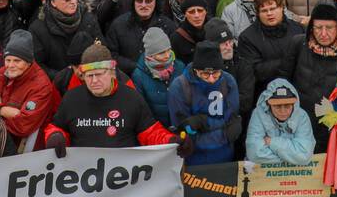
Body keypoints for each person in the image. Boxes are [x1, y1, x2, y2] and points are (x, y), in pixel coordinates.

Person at [42, 43, 191, 153]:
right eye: (89, 76)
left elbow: (149, 132)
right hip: (83, 176)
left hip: (121, 178)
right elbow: (56, 126)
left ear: (112, 73)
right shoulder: (72, 98)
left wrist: (172, 141)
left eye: (99, 74)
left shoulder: (131, 97)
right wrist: (55, 136)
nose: (94, 81)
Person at [281, 2, 337, 149]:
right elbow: (284, 80)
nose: (324, 33)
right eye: (318, 28)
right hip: (298, 123)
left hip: (332, 128)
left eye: (329, 28)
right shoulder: (298, 45)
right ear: (311, 27)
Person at [167, 41, 241, 165]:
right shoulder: (180, 87)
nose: (211, 79)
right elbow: (184, 132)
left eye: (216, 73)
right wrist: (223, 134)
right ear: (196, 70)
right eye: (205, 74)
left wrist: (204, 122)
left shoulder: (228, 82)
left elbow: (232, 124)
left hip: (225, 157)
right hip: (193, 160)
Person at [244, 79, 315, 166]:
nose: (282, 111)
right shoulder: (258, 113)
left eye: (287, 106)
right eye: (277, 106)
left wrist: (272, 142)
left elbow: (304, 156)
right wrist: (292, 157)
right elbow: (254, 154)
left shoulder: (302, 116)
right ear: (268, 104)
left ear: (294, 105)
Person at [133, 27, 185, 124]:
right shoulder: (139, 75)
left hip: (181, 125)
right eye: (161, 53)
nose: (167, 55)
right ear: (150, 55)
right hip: (157, 129)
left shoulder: (180, 67)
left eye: (168, 50)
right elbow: (142, 109)